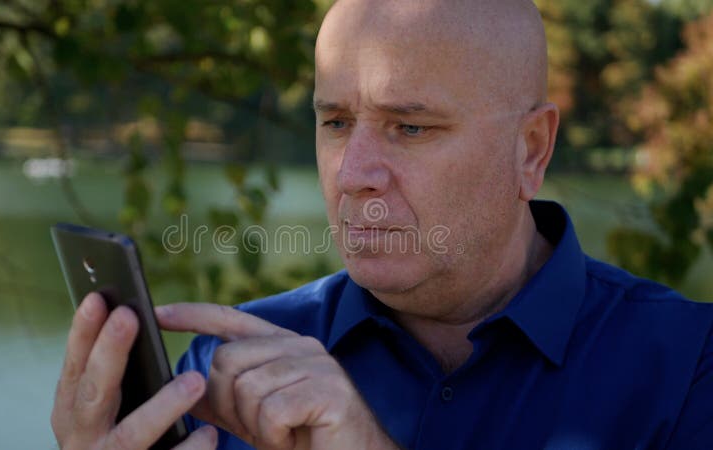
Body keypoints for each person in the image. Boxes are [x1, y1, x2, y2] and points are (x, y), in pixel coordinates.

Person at [51, 0, 713, 449]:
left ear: (530, 150)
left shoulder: (688, 367)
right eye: (336, 122)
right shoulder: (227, 371)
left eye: (411, 127)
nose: (353, 173)